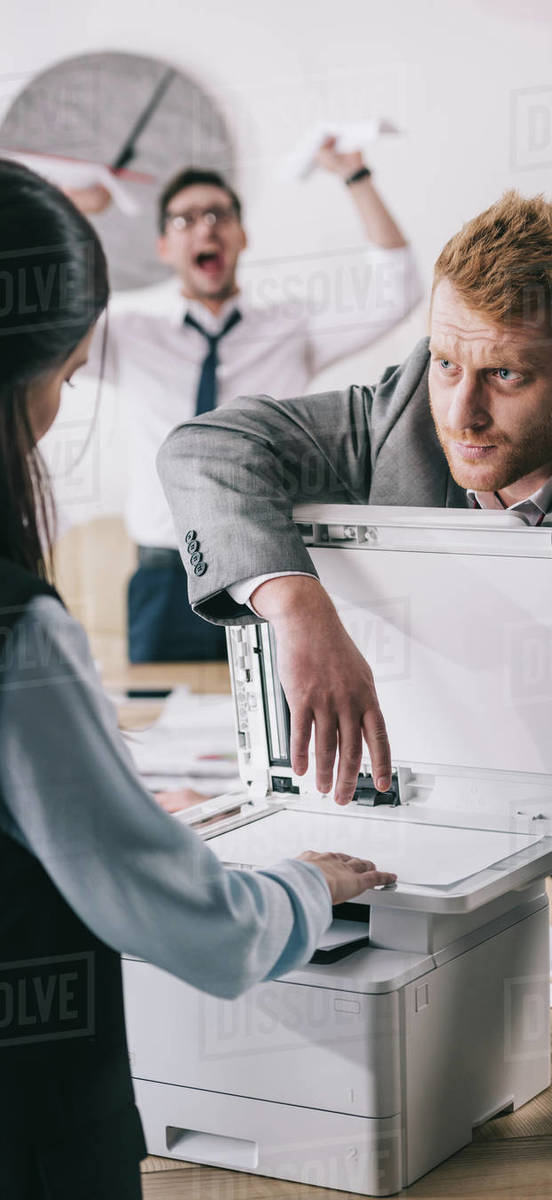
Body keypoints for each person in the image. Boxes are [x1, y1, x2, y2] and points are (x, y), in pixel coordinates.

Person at [158, 190, 552, 1166]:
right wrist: (295, 602)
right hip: (526, 806)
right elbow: (205, 449)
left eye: (503, 375)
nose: (458, 412)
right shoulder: (406, 409)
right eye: (447, 362)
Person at [0, 157, 395, 1200]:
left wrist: (88, 793)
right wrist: (313, 880)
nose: (69, 396)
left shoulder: (292, 323)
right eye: (67, 377)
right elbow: (188, 923)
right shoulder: (21, 631)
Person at [66, 143, 422, 663]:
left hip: (270, 573)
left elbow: (399, 291)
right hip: (165, 580)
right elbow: (46, 322)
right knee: (165, 732)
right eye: (185, 220)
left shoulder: (290, 328)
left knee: (279, 733)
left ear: (241, 236)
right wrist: (70, 214)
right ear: (164, 246)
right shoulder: (127, 336)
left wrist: (355, 174)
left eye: (218, 215)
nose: (205, 227)